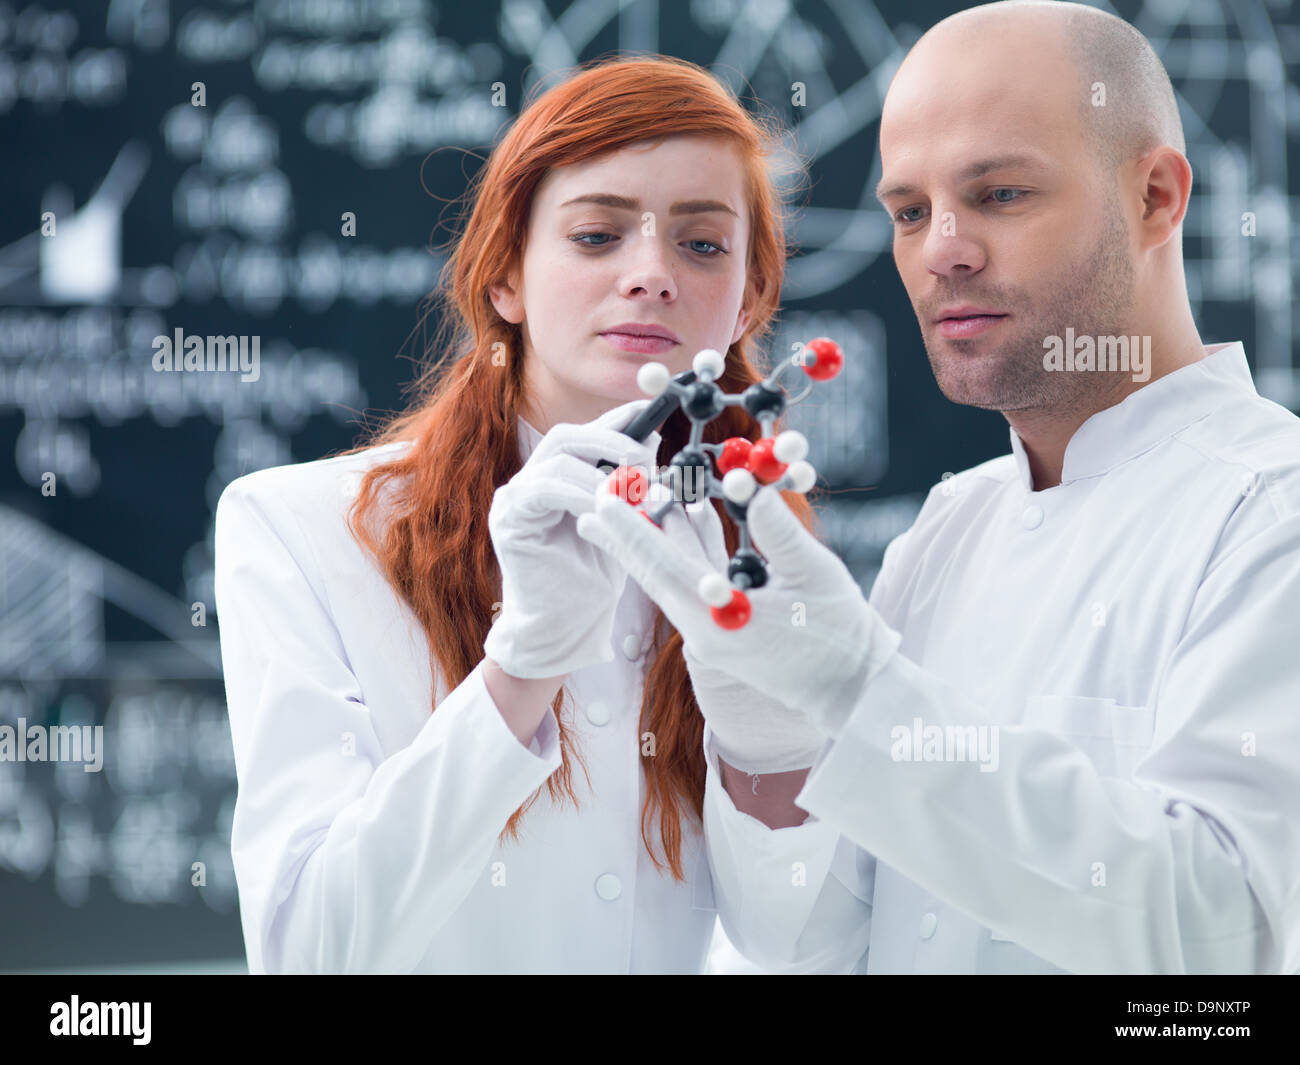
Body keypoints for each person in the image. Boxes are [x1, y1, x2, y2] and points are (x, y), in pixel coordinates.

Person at [576, 1, 1300, 974]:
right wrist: (768, 748)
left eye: (999, 194)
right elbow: (820, 947)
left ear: (1156, 199)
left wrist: (864, 694)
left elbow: (1229, 932)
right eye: (909, 211)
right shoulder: (952, 526)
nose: (941, 251)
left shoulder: (1271, 510)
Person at [213, 54, 820, 973]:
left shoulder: (760, 548)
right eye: (595, 236)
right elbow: (310, 949)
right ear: (505, 278)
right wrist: (519, 668)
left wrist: (762, 742)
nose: (651, 273)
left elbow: (798, 942)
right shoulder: (301, 528)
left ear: (749, 301)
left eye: (702, 244)